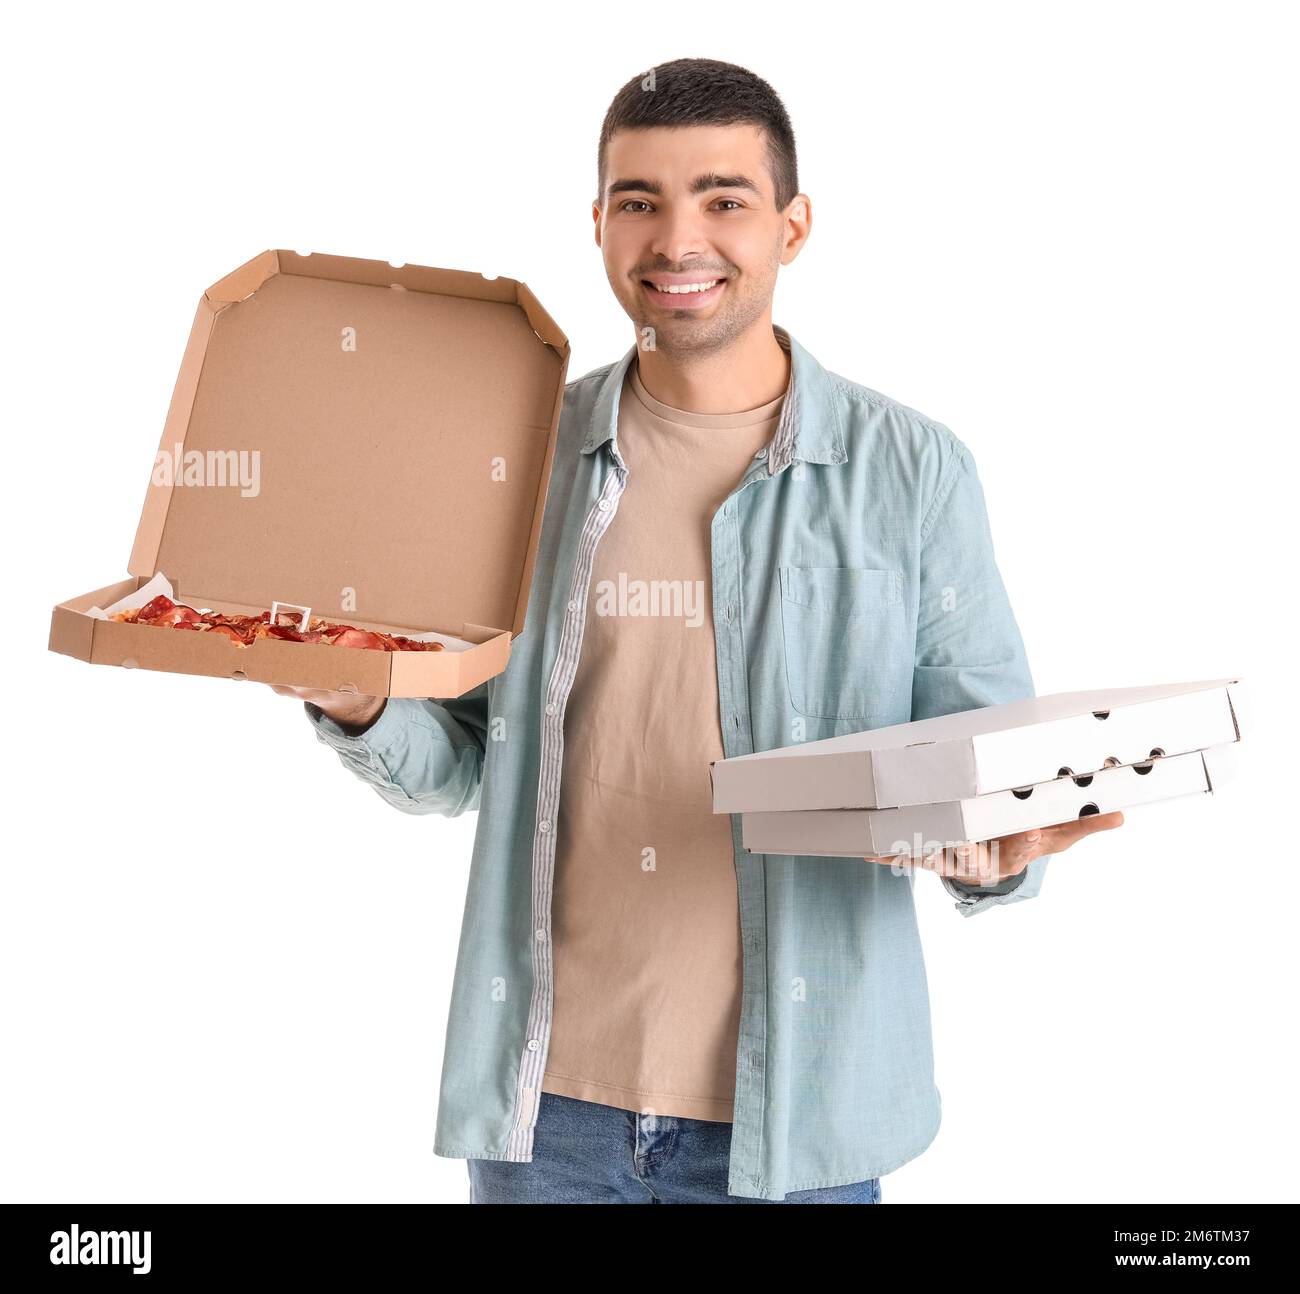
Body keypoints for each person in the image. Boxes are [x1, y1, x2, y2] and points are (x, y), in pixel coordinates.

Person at [271, 57, 1123, 1204]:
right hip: (547, 1111)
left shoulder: (911, 472)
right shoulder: (518, 458)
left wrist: (991, 859)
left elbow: (982, 765)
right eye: (640, 202)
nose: (679, 240)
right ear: (599, 225)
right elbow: (459, 766)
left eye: (723, 199)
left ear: (792, 224)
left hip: (799, 1125)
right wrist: (358, 696)